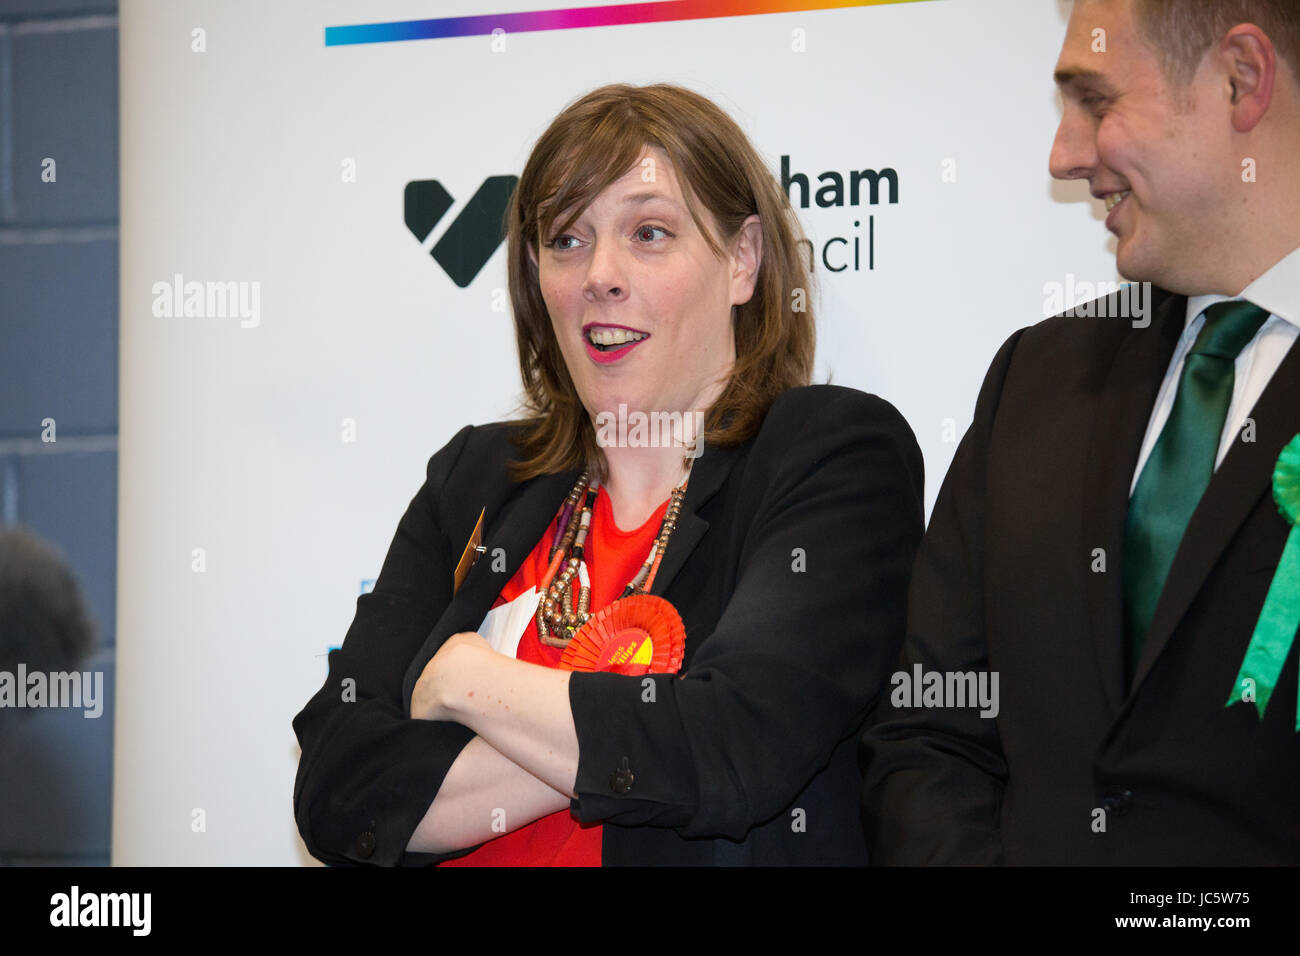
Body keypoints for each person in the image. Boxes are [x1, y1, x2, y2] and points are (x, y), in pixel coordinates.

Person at [293, 82, 924, 866]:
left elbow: (733, 749)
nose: (601, 274)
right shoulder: (475, 479)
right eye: (566, 239)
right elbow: (336, 790)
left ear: (743, 261)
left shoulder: (830, 453)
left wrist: (466, 682)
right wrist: (637, 735)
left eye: (650, 232)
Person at [862, 0, 1300, 865]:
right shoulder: (1038, 378)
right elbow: (929, 733)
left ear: (1241, 80)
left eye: (1095, 102)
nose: (1064, 156)